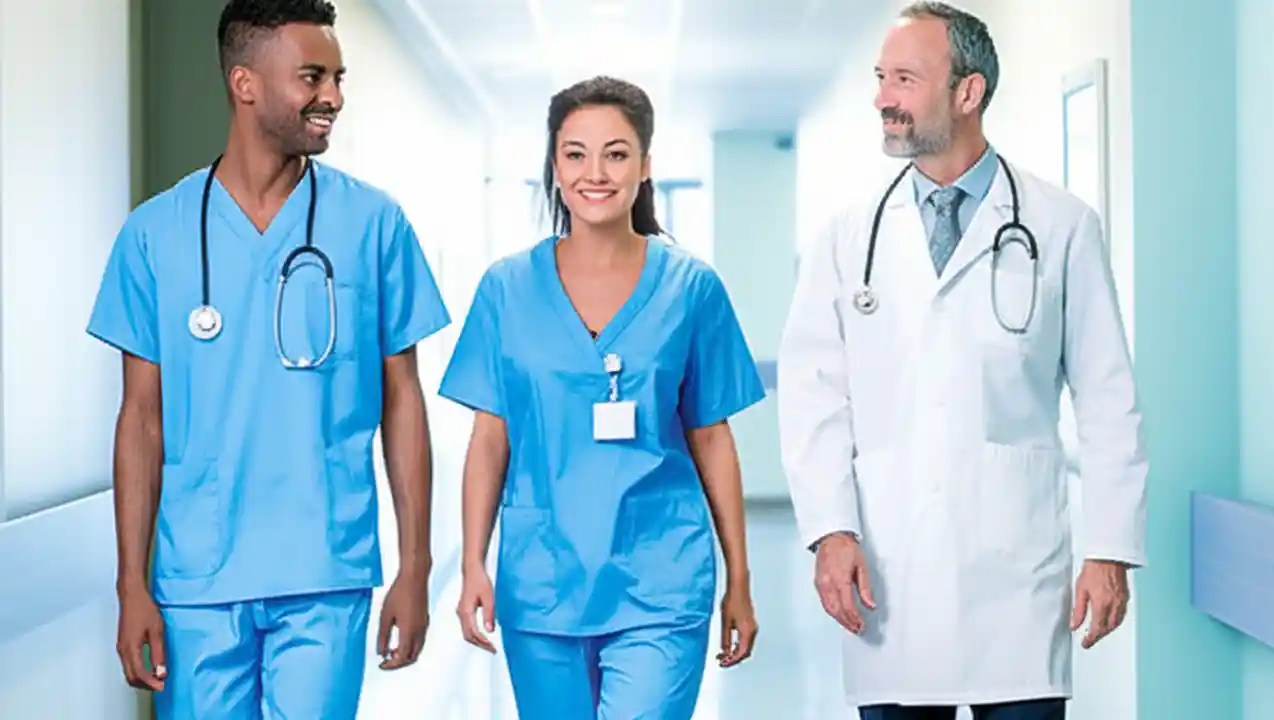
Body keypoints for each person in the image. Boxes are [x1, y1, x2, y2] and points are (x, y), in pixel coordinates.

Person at [777, 3, 1148, 719]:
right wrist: (830, 529)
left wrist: (1109, 548)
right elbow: (814, 397)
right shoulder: (848, 237)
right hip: (890, 569)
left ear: (967, 92)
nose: (884, 97)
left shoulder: (1062, 225)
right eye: (882, 78)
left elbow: (1107, 397)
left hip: (1015, 572)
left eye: (906, 79)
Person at [85, 1, 451, 717]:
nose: (334, 97)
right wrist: (133, 583)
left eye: (339, 77)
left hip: (324, 566)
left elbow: (403, 400)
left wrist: (416, 563)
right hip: (196, 579)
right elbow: (141, 422)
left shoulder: (373, 224)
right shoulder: (154, 234)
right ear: (245, 84)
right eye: (312, 76)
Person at [439, 75, 764, 718]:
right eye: (576, 153)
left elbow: (711, 437)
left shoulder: (691, 289)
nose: (596, 172)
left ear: (646, 167)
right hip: (542, 581)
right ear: (554, 167)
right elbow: (490, 438)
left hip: (661, 579)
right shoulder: (506, 289)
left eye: (616, 153)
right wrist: (473, 562)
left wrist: (740, 580)